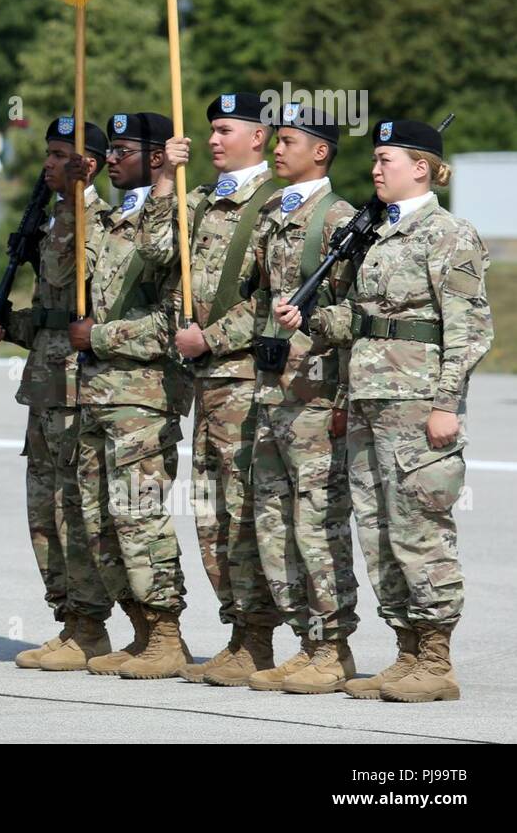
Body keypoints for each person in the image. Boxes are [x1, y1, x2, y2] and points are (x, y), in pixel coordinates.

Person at [286, 118, 492, 702]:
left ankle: (436, 660)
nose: (375, 170)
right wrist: (310, 319)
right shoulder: (378, 235)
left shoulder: (448, 234)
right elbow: (362, 319)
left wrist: (446, 403)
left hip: (417, 403)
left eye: (387, 160)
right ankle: (405, 650)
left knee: (420, 530)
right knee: (377, 531)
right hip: (371, 400)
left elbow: (470, 329)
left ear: (421, 168)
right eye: (375, 160)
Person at [148, 93, 284, 684]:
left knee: (247, 510)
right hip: (205, 385)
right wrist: (164, 181)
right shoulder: (196, 198)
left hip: (248, 377)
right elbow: (153, 256)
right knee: (212, 512)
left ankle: (260, 638)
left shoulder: (275, 204)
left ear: (258, 138)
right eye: (209, 132)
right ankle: (237, 632)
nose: (211, 141)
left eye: (224, 130)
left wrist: (213, 337)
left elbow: (276, 298)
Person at [0, 118, 114, 670]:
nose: (48, 164)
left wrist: (82, 202)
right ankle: (71, 620)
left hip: (82, 385)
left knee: (77, 509)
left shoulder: (98, 222)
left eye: (61, 155)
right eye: (48, 153)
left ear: (89, 165)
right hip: (45, 385)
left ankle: (91, 623)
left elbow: (97, 300)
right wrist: (8, 325)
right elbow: (53, 320)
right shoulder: (51, 221)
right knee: (44, 509)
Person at [67, 112, 194, 680]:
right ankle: (141, 629)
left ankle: (167, 634)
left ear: (157, 157)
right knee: (99, 519)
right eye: (110, 150)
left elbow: (174, 322)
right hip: (99, 391)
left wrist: (99, 336)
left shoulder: (172, 218)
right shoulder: (112, 218)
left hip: (143, 394)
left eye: (123, 150)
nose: (111, 158)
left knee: (140, 516)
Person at [244, 106, 359, 694]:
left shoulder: (339, 220)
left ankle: (334, 647)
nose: (277, 149)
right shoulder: (270, 213)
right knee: (273, 522)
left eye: (287, 141)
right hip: (272, 393)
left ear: (320, 151)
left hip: (314, 396)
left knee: (316, 524)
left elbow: (354, 315)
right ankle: (305, 640)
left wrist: (341, 396)